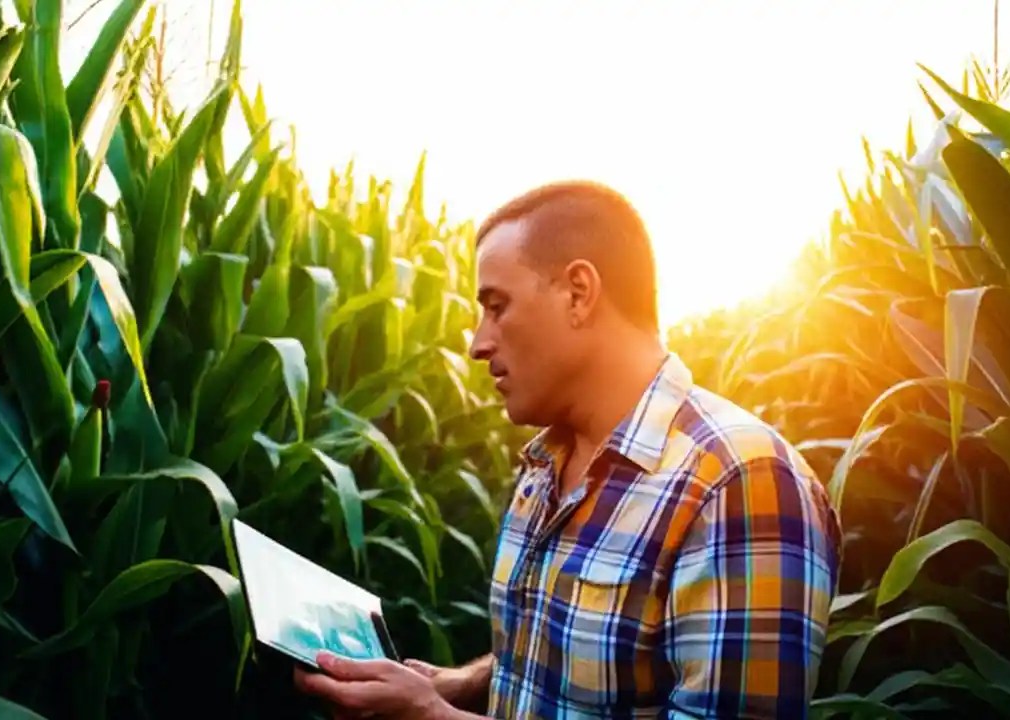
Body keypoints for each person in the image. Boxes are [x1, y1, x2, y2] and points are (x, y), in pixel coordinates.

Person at [294, 180, 842, 718]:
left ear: (578, 293)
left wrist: (431, 718)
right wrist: (463, 683)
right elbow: (575, 659)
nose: (477, 343)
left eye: (496, 305)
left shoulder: (740, 482)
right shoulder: (545, 467)